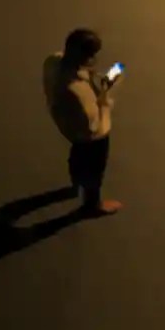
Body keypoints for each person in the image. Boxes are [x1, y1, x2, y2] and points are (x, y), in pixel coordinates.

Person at [42, 29, 122, 216]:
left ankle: (74, 184)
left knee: (77, 155)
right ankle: (92, 204)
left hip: (68, 125)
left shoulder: (52, 61)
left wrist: (89, 75)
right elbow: (93, 126)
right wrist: (105, 97)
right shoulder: (75, 90)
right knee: (94, 168)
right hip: (91, 136)